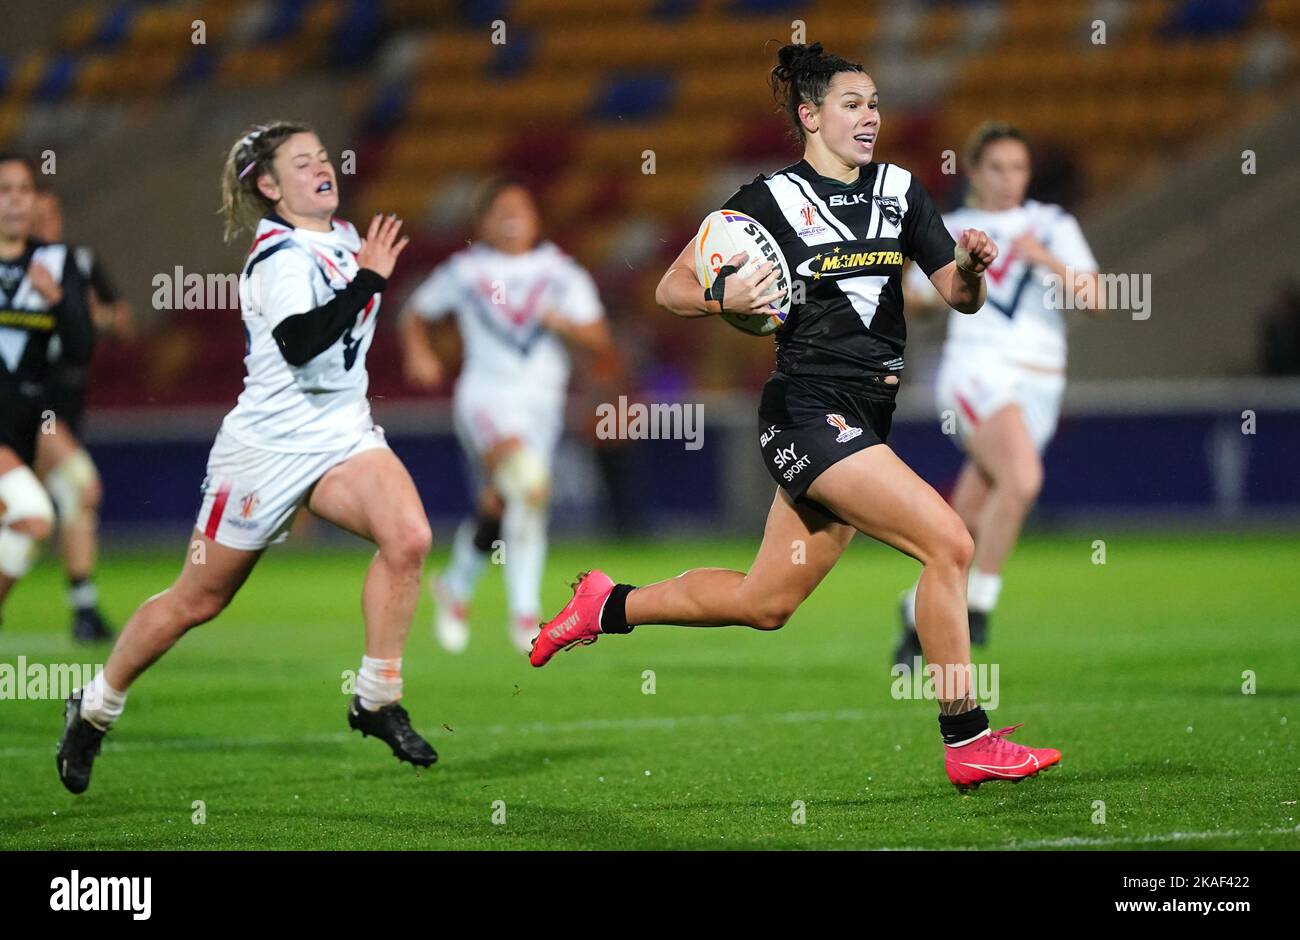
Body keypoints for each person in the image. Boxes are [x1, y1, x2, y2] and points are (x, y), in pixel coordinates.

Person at [528, 44, 1062, 792]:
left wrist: (970, 269)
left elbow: (958, 296)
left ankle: (607, 605)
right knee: (949, 543)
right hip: (807, 412)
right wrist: (725, 300)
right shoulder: (767, 200)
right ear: (810, 116)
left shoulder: (902, 191)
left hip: (864, 416)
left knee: (766, 601)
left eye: (874, 102)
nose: (869, 115)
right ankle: (966, 737)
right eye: (852, 103)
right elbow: (671, 288)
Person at [56, 122, 438, 794]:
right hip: (265, 451)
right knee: (195, 602)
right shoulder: (280, 257)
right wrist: (369, 281)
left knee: (408, 538)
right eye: (302, 162)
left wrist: (368, 277)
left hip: (342, 435)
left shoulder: (346, 239)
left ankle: (376, 698)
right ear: (269, 186)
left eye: (323, 155)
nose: (322, 166)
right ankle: (94, 707)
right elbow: (300, 343)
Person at [893, 123, 1100, 665]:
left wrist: (1045, 259)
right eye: (999, 168)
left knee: (967, 518)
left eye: (1020, 168)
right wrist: (962, 270)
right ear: (976, 172)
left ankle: (917, 614)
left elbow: (1097, 298)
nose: (1011, 179)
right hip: (976, 372)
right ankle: (979, 604)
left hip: (1040, 381)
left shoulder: (1052, 225)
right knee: (1022, 477)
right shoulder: (956, 226)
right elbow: (915, 299)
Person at [401, 178, 610, 654]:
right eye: (501, 208)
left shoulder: (561, 273)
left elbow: (599, 337)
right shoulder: (468, 271)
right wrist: (420, 353)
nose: (512, 215)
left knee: (503, 502)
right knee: (531, 487)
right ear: (484, 221)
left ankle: (454, 585)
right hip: (485, 398)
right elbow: (416, 310)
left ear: (536, 217)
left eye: (521, 206)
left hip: (542, 405)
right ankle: (526, 618)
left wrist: (563, 322)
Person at [31, 188, 135, 642]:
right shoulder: (12, 272)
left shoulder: (79, 264)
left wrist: (94, 317)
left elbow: (124, 321)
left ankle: (84, 608)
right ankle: (86, 609)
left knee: (39, 513)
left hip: (68, 407)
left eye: (50, 212)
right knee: (81, 487)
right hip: (29, 407)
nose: (42, 222)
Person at [0, 153, 93, 625]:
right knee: (34, 513)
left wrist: (56, 299)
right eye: (4, 190)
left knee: (30, 518)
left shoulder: (56, 263)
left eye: (23, 190)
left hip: (24, 428)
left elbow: (80, 349)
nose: (15, 200)